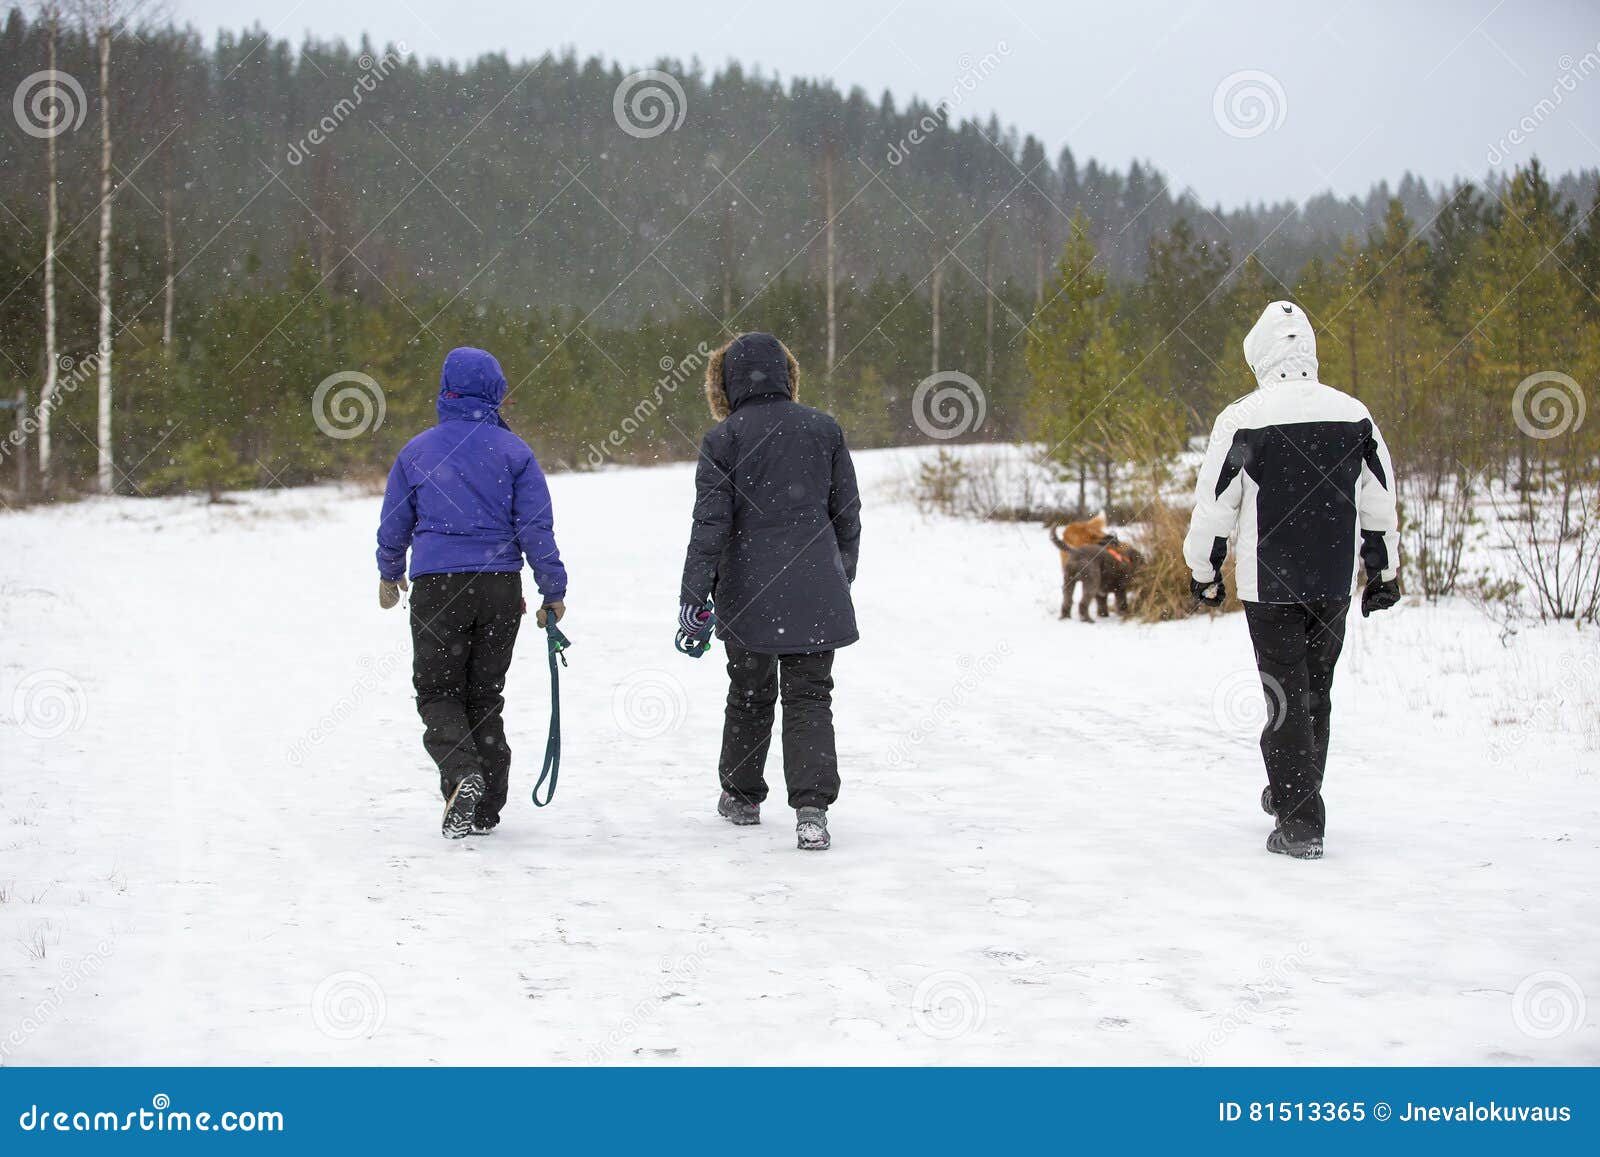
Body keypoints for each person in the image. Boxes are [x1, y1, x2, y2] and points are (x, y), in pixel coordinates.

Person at [1184, 301, 1401, 861]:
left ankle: (1300, 821)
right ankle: (1292, 791)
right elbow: (1379, 499)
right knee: (1315, 690)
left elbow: (1215, 506)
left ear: (1259, 354)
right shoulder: (1354, 414)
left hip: (1269, 582)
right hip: (1332, 579)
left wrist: (1205, 572)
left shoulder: (1243, 418)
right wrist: (1381, 571)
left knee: (1284, 695)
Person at [678, 332, 861, 851]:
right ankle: (812, 808)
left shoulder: (724, 439)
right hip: (814, 590)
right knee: (810, 698)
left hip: (748, 591)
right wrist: (837, 573)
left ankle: (741, 796)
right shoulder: (823, 429)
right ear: (787, 374)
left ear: (726, 382)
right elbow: (847, 513)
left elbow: (708, 527)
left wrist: (695, 599)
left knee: (750, 695)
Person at [376, 346, 568, 840]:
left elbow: (395, 521)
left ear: (445, 391)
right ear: (496, 392)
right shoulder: (515, 452)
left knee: (439, 691)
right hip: (500, 589)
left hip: (437, 588)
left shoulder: (416, 451)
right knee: (485, 694)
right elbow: (536, 527)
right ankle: (485, 807)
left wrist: (389, 570)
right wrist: (552, 589)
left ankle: (462, 774)